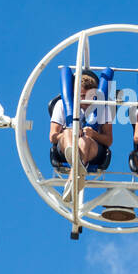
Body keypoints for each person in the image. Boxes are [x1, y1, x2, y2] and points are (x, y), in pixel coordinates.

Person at [49, 69, 113, 198]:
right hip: (66, 145)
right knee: (68, 132)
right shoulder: (62, 105)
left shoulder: (103, 108)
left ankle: (74, 176)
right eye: (81, 96)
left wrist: (93, 134)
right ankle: (77, 171)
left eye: (89, 97)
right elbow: (53, 136)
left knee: (85, 141)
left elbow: (108, 140)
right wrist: (72, 132)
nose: (85, 100)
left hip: (93, 148)